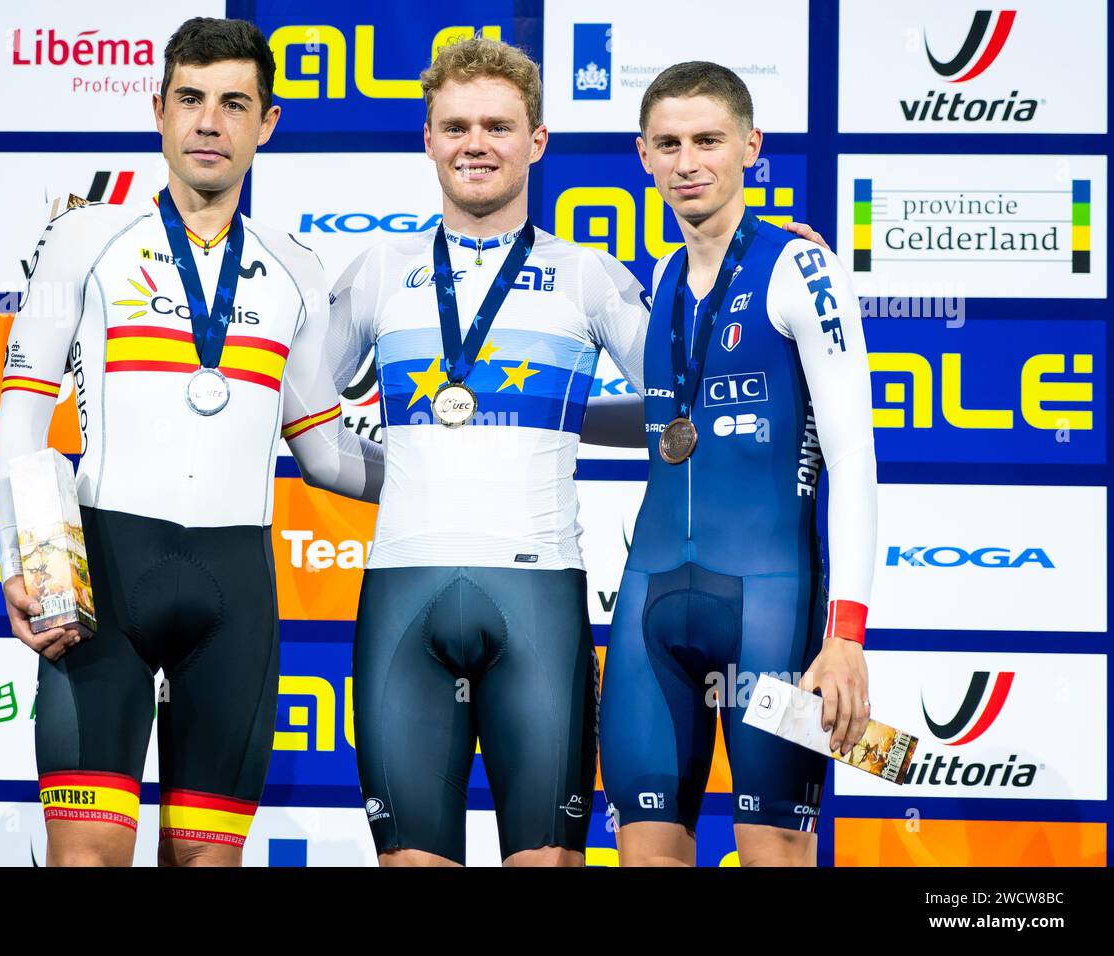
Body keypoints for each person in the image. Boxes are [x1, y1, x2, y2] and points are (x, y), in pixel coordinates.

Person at [326, 38, 823, 867]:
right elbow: (291, 401)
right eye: (454, 126)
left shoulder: (591, 275)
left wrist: (768, 272)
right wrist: (391, 471)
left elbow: (684, 397)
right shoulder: (378, 268)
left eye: (497, 125)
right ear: (426, 138)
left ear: (538, 140)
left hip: (540, 596)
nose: (474, 143)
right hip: (402, 589)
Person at [0, 16, 381, 868]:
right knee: (85, 857)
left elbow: (320, 452)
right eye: (192, 100)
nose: (211, 122)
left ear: (266, 123)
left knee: (208, 862)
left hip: (235, 590)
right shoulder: (84, 241)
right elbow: (20, 416)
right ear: (157, 108)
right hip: (100, 575)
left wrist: (439, 472)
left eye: (235, 104)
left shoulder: (297, 268)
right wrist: (21, 555)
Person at [597, 61, 877, 867]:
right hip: (651, 608)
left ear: (751, 147)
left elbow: (854, 454)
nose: (688, 162)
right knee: (645, 850)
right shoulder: (658, 282)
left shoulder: (802, 267)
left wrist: (847, 634)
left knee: (772, 851)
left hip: (773, 613)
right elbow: (668, 418)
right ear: (643, 156)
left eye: (708, 141)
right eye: (668, 144)